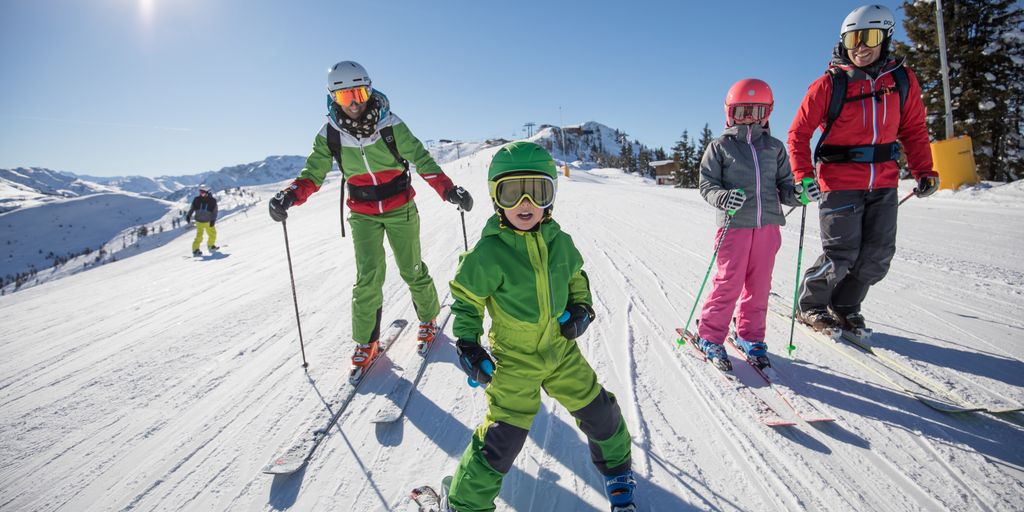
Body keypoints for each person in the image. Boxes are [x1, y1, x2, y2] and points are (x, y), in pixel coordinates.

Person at [445, 142, 635, 512]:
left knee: (601, 413)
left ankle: (617, 470)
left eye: (538, 191)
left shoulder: (560, 243)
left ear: (551, 195)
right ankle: (465, 503)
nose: (525, 203)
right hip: (513, 360)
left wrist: (581, 308)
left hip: (560, 352)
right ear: (496, 197)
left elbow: (576, 277)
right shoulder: (488, 253)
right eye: (512, 192)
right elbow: (466, 299)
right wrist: (468, 343)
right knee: (503, 439)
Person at [267, 61, 473, 380]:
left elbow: (422, 159)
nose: (354, 103)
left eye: (359, 92)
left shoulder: (390, 125)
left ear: (370, 90)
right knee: (368, 277)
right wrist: (290, 195)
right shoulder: (330, 135)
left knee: (412, 268)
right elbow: (313, 173)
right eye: (344, 97)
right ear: (333, 99)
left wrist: (449, 190)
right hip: (362, 213)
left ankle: (428, 320)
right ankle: (367, 342)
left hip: (400, 205)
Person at [788, 4, 939, 333]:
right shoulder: (829, 84)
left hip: (883, 180)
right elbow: (798, 133)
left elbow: (914, 130)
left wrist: (924, 170)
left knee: (878, 255)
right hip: (839, 181)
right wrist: (803, 175)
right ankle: (810, 304)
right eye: (853, 38)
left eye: (869, 37)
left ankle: (844, 305)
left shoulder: (902, 81)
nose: (861, 47)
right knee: (841, 252)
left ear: (885, 38)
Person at [695, 78, 812, 371]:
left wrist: (800, 194)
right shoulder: (720, 146)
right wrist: (722, 197)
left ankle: (750, 336)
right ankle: (710, 335)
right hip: (734, 227)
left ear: (767, 113)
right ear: (729, 112)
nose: (749, 117)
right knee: (728, 283)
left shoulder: (774, 147)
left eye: (756, 111)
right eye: (742, 110)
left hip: (768, 227)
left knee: (759, 287)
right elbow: (707, 184)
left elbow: (786, 187)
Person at [185, 184, 218, 256]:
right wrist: (188, 215)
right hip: (199, 221)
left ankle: (211, 246)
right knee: (199, 236)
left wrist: (213, 220)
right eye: (200, 192)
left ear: (207, 192)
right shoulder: (197, 199)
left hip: (208, 221)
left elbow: (215, 212)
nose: (201, 193)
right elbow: (192, 208)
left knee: (213, 235)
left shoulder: (213, 201)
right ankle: (195, 250)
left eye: (202, 192)